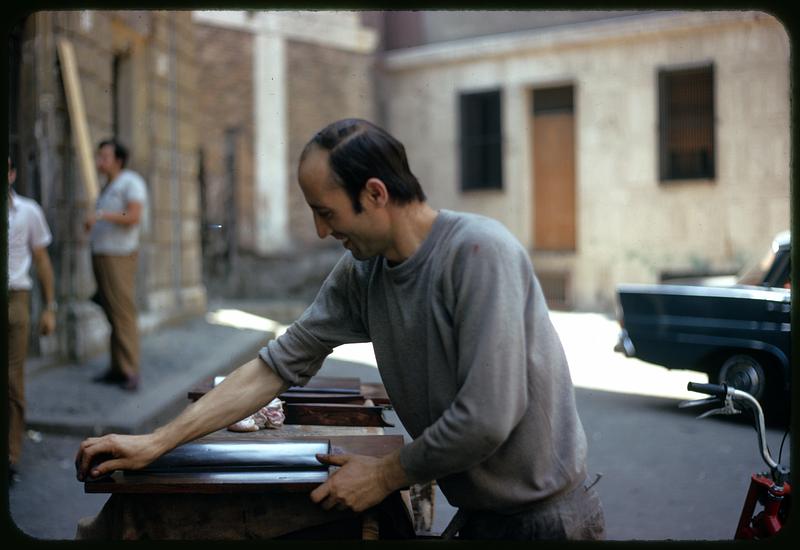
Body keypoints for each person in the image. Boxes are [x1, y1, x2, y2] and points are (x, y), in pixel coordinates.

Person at [75, 119, 605, 540]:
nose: (321, 231)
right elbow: (276, 365)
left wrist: (384, 474)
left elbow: (486, 418)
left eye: (326, 213)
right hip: (481, 516)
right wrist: (156, 442)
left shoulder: (478, 253)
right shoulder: (363, 269)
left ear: (375, 194)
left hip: (544, 523)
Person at [84, 139, 148, 391]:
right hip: (103, 254)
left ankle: (131, 371)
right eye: (98, 157)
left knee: (122, 312)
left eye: (104, 157)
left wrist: (100, 215)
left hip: (119, 256)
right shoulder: (107, 186)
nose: (100, 162)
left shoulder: (130, 182)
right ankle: (117, 368)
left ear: (118, 160)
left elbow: (133, 216)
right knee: (111, 312)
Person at [7, 156, 57, 482]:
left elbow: (41, 259)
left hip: (15, 299)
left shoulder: (27, 211)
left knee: (12, 380)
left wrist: (50, 306)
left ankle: (10, 456)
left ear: (12, 173)